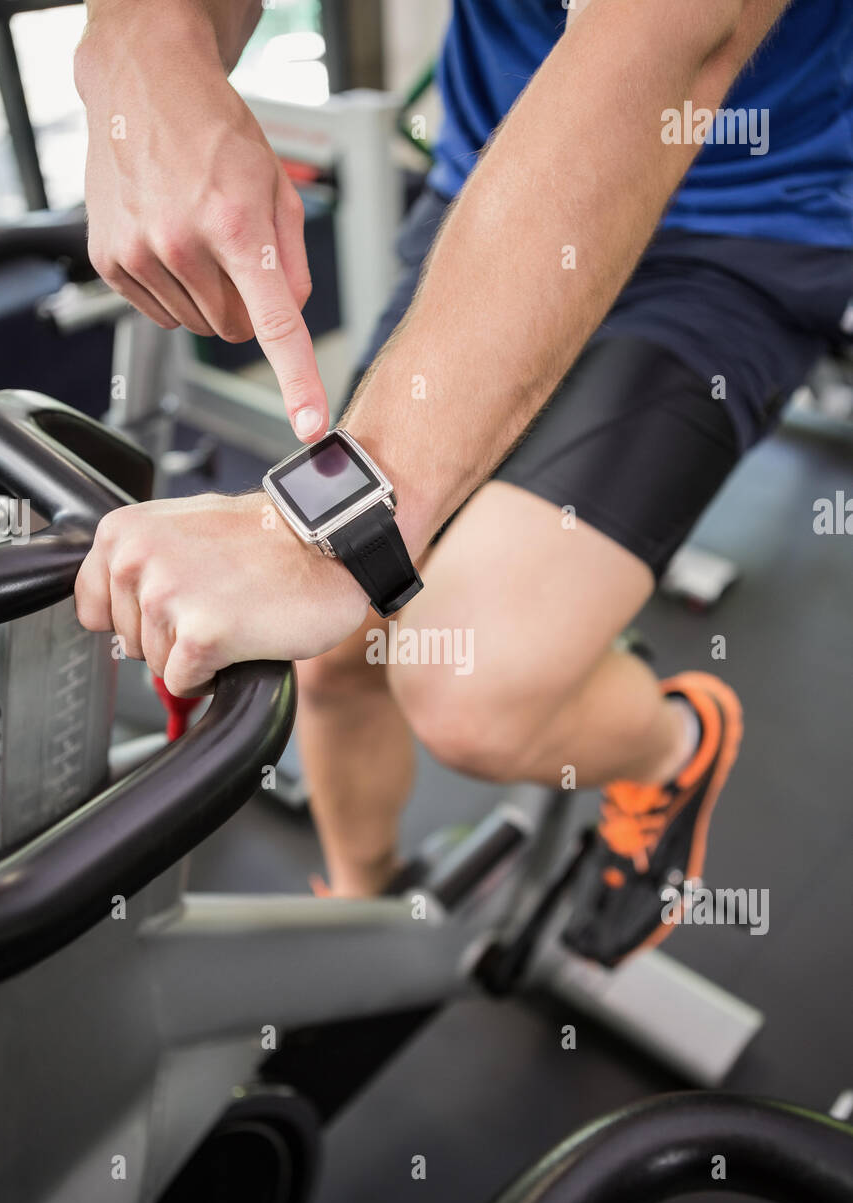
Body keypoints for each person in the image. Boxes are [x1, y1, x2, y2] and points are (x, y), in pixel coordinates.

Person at [72, 0, 853, 961]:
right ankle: (361, 923)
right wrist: (146, 47)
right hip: (494, 195)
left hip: (732, 231)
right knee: (330, 654)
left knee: (468, 691)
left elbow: (666, 46)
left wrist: (311, 542)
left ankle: (673, 746)